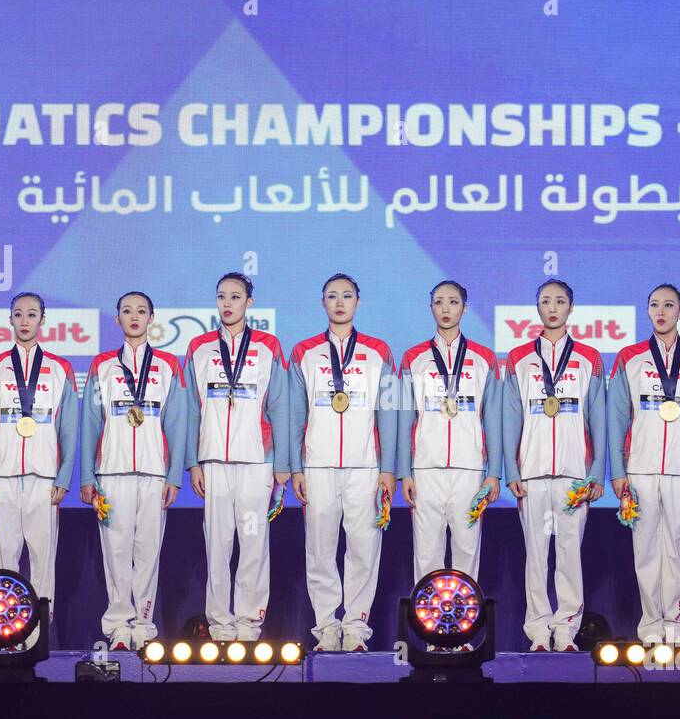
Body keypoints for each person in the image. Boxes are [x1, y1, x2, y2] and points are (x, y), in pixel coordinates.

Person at [289, 273, 399, 652]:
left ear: (358, 302)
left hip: (365, 465)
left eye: (347, 296)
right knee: (319, 548)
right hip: (317, 465)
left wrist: (389, 468)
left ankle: (355, 626)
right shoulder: (304, 351)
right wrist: (296, 466)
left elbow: (389, 412)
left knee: (364, 547)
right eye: (332, 296)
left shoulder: (378, 351)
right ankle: (326, 628)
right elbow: (294, 413)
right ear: (322, 303)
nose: (339, 302)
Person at [607, 284, 680, 644]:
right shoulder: (630, 356)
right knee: (645, 551)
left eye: (668, 305)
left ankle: (674, 623)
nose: (661, 311)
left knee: (675, 547)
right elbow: (617, 418)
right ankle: (650, 626)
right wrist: (618, 470)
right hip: (640, 469)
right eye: (654, 305)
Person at [182, 272, 290, 641]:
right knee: (217, 544)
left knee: (253, 542)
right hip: (213, 459)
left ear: (249, 303)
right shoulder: (198, 347)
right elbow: (190, 409)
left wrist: (282, 464)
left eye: (236, 296)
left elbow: (280, 406)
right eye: (222, 296)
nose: (228, 303)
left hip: (257, 459)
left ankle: (249, 623)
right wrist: (192, 462)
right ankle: (220, 625)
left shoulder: (268, 346)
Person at [502, 279, 605, 652]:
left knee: (569, 554)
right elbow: (510, 417)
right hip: (531, 474)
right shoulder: (519, 358)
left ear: (571, 308)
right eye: (545, 301)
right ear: (537, 308)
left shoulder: (589, 357)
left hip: (574, 474)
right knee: (536, 555)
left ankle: (566, 631)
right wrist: (511, 471)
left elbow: (599, 418)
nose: (552, 307)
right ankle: (538, 633)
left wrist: (597, 472)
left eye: (559, 301)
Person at [0, 292, 77, 646]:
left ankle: (36, 635)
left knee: (43, 559)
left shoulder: (61, 369)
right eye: (18, 314)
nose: (25, 320)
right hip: (1, 475)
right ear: (10, 320)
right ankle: (8, 631)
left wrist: (64, 476)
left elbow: (69, 429)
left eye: (32, 314)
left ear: (43, 320)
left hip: (45, 477)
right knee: (5, 557)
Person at [80, 291, 185, 651]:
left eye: (141, 311)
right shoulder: (102, 365)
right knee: (116, 551)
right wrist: (87, 476)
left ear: (152, 318)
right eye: (127, 311)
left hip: (155, 473)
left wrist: (174, 475)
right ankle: (118, 628)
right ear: (117, 320)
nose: (134, 316)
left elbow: (177, 423)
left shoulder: (169, 364)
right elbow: (91, 423)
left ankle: (143, 624)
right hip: (111, 472)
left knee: (147, 551)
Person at [397, 281, 501, 585]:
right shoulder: (413, 357)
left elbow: (492, 419)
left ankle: (462, 628)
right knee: (426, 552)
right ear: (430, 307)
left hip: (469, 468)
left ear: (464, 309)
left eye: (453, 302)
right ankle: (429, 629)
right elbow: (405, 418)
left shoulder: (484, 358)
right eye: (439, 302)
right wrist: (405, 472)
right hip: (425, 468)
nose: (445, 308)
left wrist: (493, 472)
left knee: (467, 550)